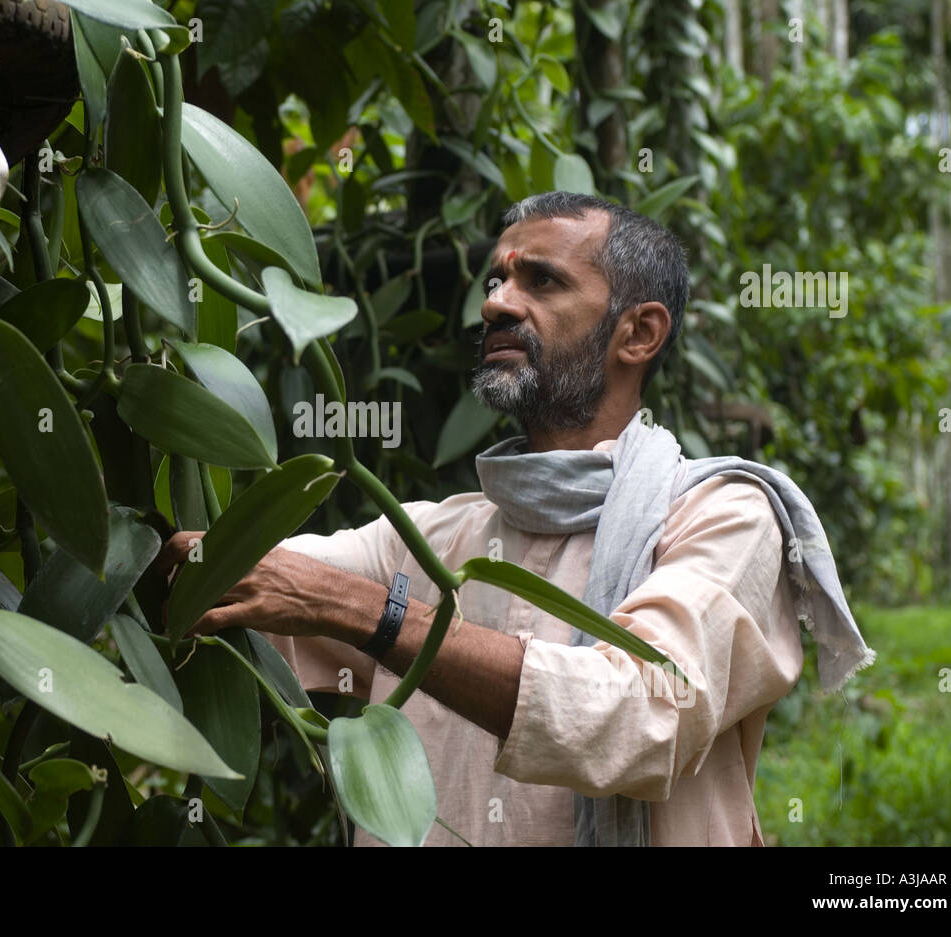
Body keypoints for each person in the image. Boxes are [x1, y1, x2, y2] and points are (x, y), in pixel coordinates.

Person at [156, 191, 875, 846]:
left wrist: (369, 612)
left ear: (639, 333)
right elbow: (243, 577)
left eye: (543, 280)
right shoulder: (436, 536)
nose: (497, 302)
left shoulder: (723, 517)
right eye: (495, 280)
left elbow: (641, 715)